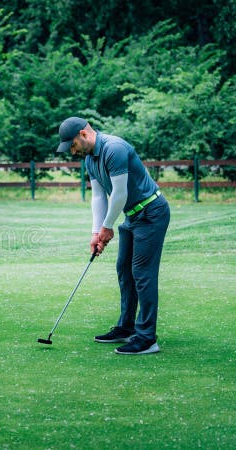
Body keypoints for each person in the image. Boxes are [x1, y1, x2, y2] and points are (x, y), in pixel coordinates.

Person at [57, 117, 170, 355]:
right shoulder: (90, 159)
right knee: (124, 269)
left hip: (151, 212)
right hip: (132, 215)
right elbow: (99, 197)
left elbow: (119, 192)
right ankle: (127, 327)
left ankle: (147, 337)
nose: (73, 152)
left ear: (83, 134)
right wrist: (96, 232)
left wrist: (108, 227)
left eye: (73, 145)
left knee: (142, 273)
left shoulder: (114, 149)